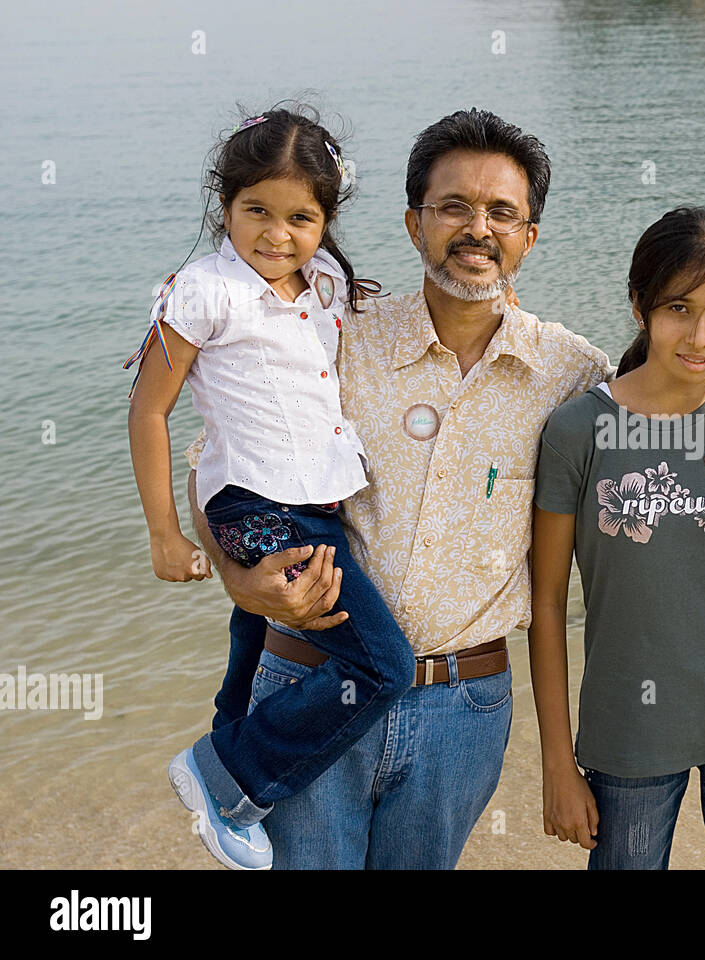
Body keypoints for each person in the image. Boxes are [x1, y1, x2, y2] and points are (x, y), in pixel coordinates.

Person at [183, 109, 705, 868]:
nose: (478, 229)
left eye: (502, 212)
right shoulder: (335, 337)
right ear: (414, 224)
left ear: (529, 237)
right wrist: (236, 575)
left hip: (462, 706)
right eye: (454, 207)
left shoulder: (571, 373)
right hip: (316, 683)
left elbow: (677, 371)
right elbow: (217, 459)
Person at [125, 105, 414, 870]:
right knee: (385, 665)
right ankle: (231, 779)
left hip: (315, 502)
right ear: (226, 205)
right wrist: (164, 534)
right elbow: (148, 409)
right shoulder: (204, 290)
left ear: (326, 220)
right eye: (257, 210)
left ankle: (227, 747)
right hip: (255, 504)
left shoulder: (320, 283)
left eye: (300, 217)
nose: (276, 235)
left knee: (254, 645)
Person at [530, 207, 705, 870]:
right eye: (678, 308)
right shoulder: (578, 431)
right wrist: (557, 762)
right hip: (628, 728)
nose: (699, 337)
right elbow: (545, 604)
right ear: (639, 305)